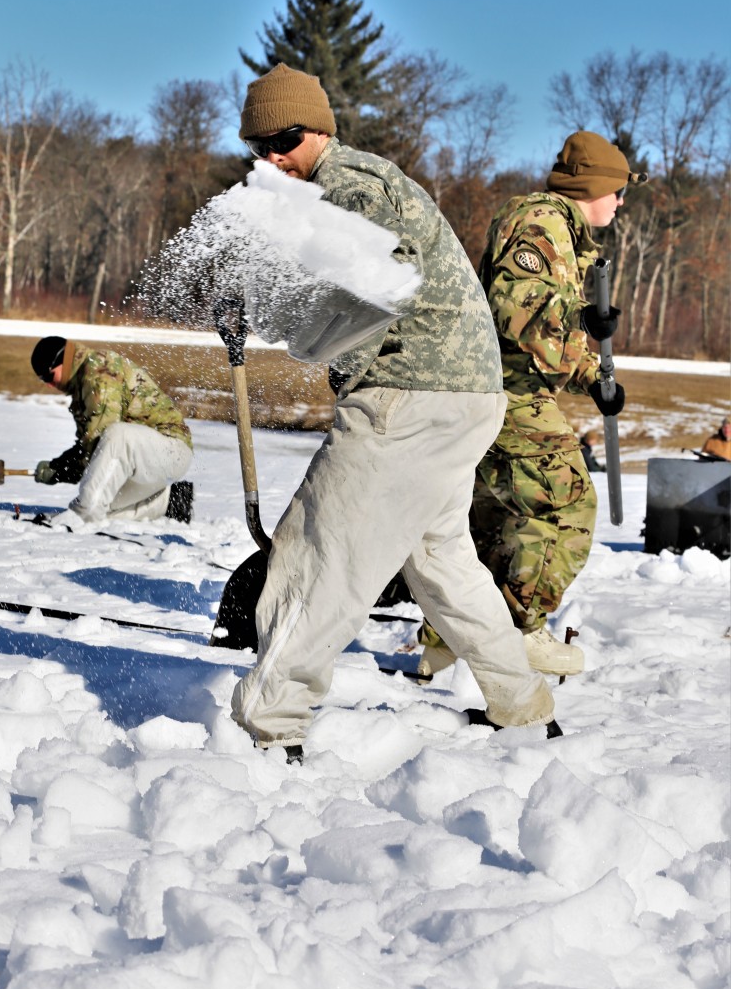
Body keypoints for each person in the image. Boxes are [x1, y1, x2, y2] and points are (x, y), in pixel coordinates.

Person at [229, 62, 559, 762]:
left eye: (284, 139)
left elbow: (374, 281)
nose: (273, 158)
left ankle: (270, 726)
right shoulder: (347, 190)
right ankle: (524, 708)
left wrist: (315, 335)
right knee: (441, 561)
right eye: (259, 147)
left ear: (319, 129)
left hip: (409, 399)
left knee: (320, 552)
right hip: (462, 399)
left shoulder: (350, 185)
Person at [418, 131, 646, 681]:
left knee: (496, 521)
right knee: (566, 507)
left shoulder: (558, 229)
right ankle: (519, 635)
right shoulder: (540, 222)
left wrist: (593, 375)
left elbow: (544, 329)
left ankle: (447, 638)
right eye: (618, 190)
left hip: (493, 389)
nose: (620, 202)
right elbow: (514, 310)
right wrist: (581, 319)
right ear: (592, 185)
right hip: (507, 395)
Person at [30, 336, 194, 527]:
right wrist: (58, 468)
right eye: (44, 381)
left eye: (49, 376)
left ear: (63, 360)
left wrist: (64, 470)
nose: (49, 385)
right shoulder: (81, 388)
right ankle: (167, 502)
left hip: (171, 450)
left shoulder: (98, 369)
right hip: (144, 463)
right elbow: (93, 450)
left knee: (116, 438)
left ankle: (83, 515)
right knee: (102, 504)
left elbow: (103, 439)